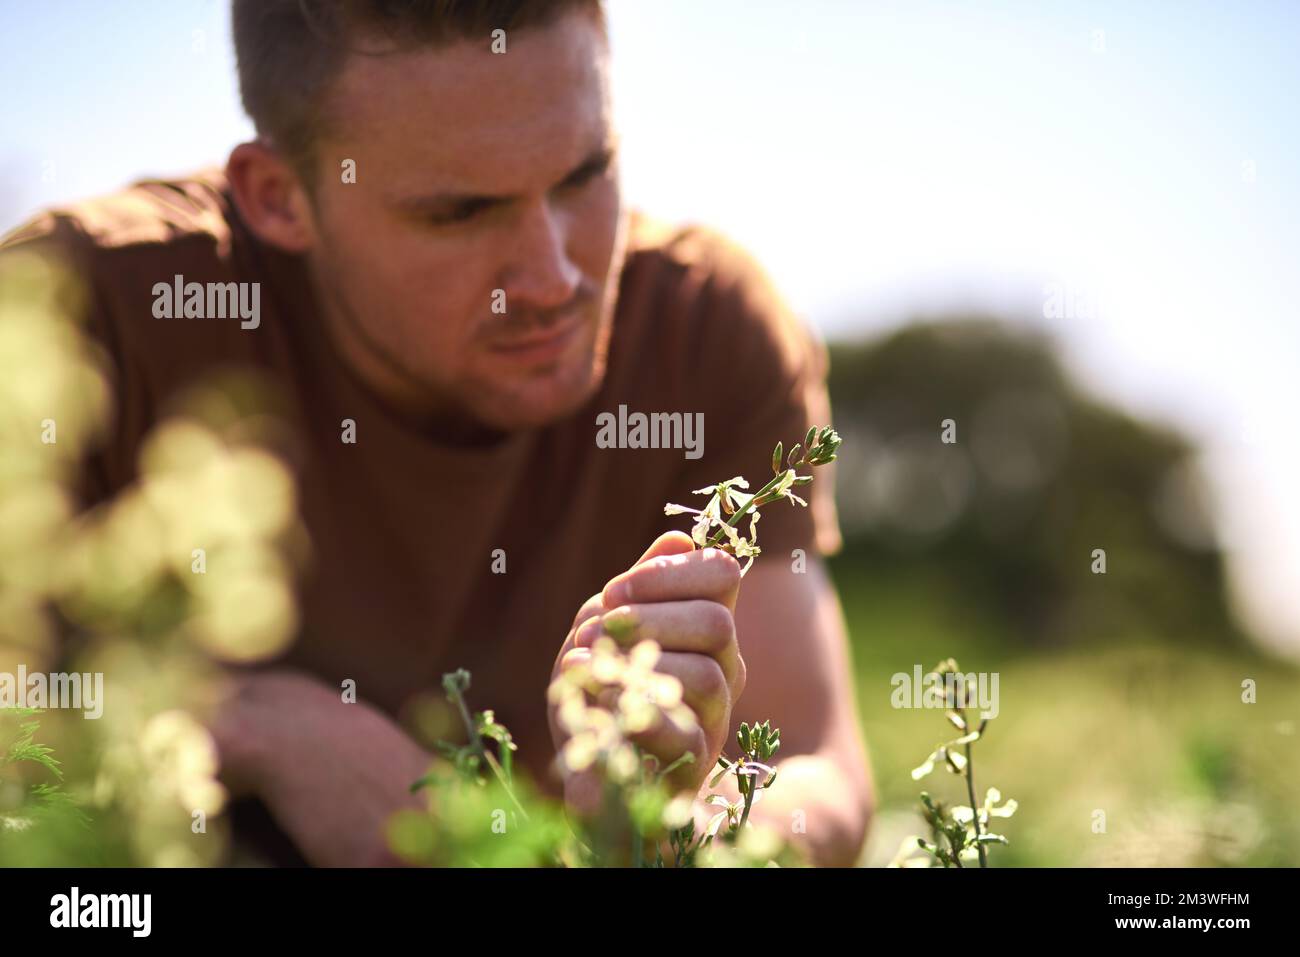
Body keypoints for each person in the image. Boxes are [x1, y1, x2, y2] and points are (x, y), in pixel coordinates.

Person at [0, 0, 872, 866]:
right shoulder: (70, 315)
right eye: (459, 213)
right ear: (278, 197)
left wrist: (677, 835)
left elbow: (816, 769)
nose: (553, 276)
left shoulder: (707, 334)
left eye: (584, 174)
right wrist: (262, 723)